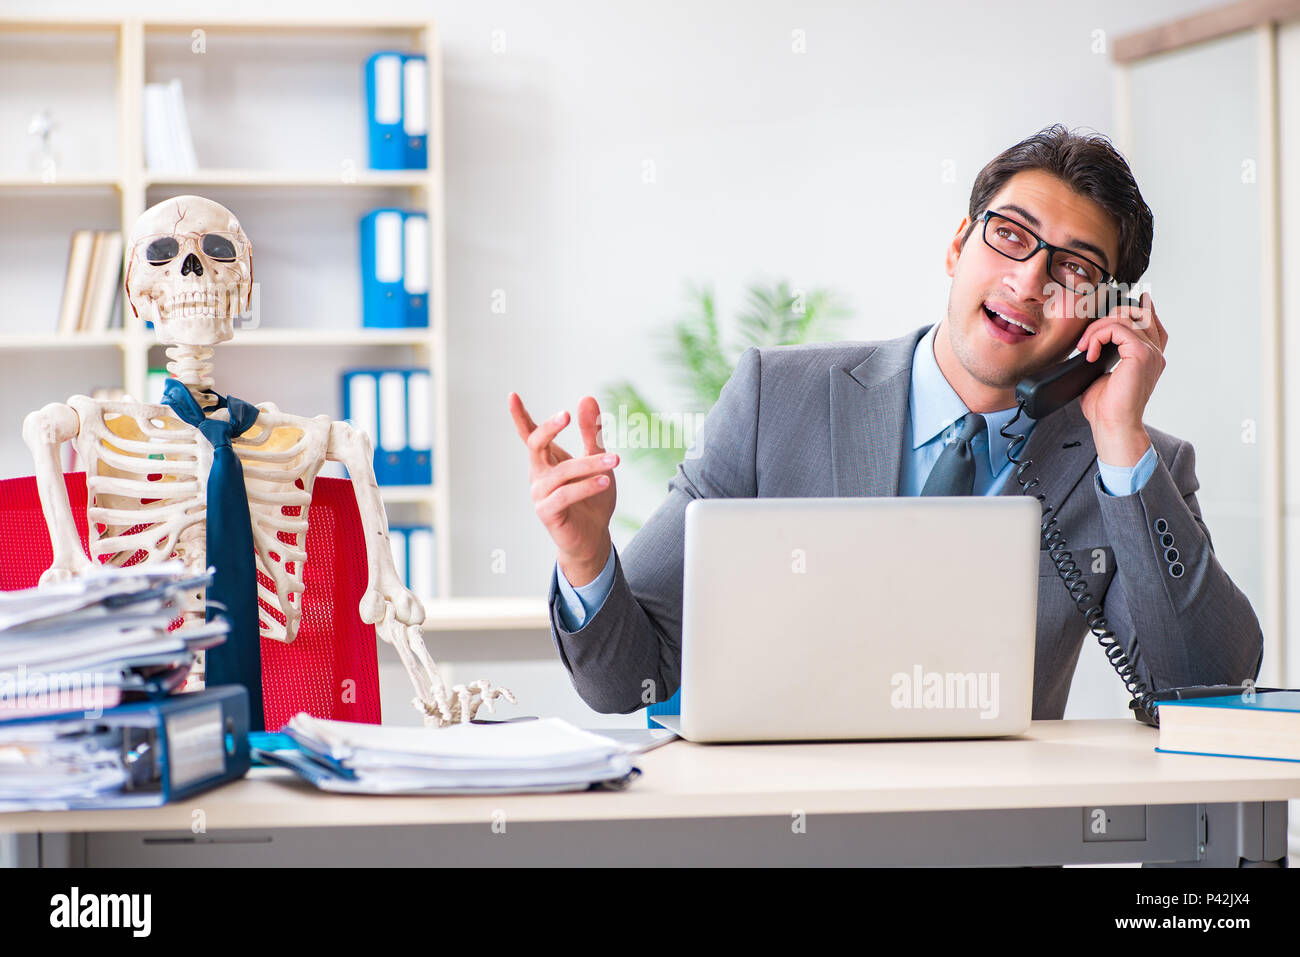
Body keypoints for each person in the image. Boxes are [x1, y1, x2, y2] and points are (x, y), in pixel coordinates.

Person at [508, 124, 1263, 720]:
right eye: (1010, 234)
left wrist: (1123, 444)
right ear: (956, 245)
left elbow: (1207, 692)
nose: (1028, 280)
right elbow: (631, 681)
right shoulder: (779, 400)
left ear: (1106, 316)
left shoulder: (1128, 467)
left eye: (1075, 270)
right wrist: (585, 558)